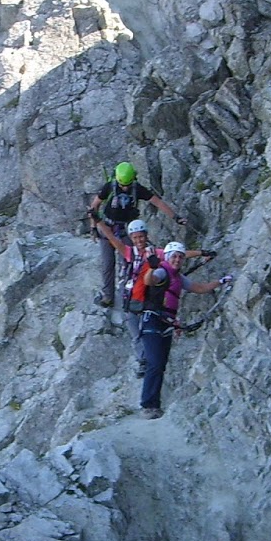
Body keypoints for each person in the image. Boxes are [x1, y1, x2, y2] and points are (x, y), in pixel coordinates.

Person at [96, 220, 217, 376]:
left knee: (145, 331)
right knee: (136, 333)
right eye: (135, 237)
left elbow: (179, 253)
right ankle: (143, 361)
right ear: (131, 238)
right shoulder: (130, 252)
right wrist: (98, 222)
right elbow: (112, 239)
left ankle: (149, 361)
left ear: (146, 235)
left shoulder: (155, 253)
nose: (139, 240)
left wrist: (201, 253)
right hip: (131, 298)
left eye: (141, 236)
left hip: (147, 299)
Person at [134, 242, 230, 419]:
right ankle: (148, 405)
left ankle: (153, 404)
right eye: (174, 256)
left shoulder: (177, 277)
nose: (177, 259)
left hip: (166, 322)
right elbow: (149, 281)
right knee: (155, 363)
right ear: (167, 257)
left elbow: (199, 288)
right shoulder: (162, 271)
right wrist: (152, 268)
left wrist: (221, 281)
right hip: (153, 321)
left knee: (160, 363)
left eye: (180, 257)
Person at [88, 162, 184, 307]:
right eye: (123, 185)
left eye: (127, 184)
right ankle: (108, 297)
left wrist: (175, 217)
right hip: (108, 228)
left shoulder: (136, 188)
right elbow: (94, 206)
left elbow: (158, 202)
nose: (125, 188)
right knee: (108, 264)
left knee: (129, 264)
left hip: (127, 231)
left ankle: (129, 295)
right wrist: (94, 227)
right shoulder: (110, 187)